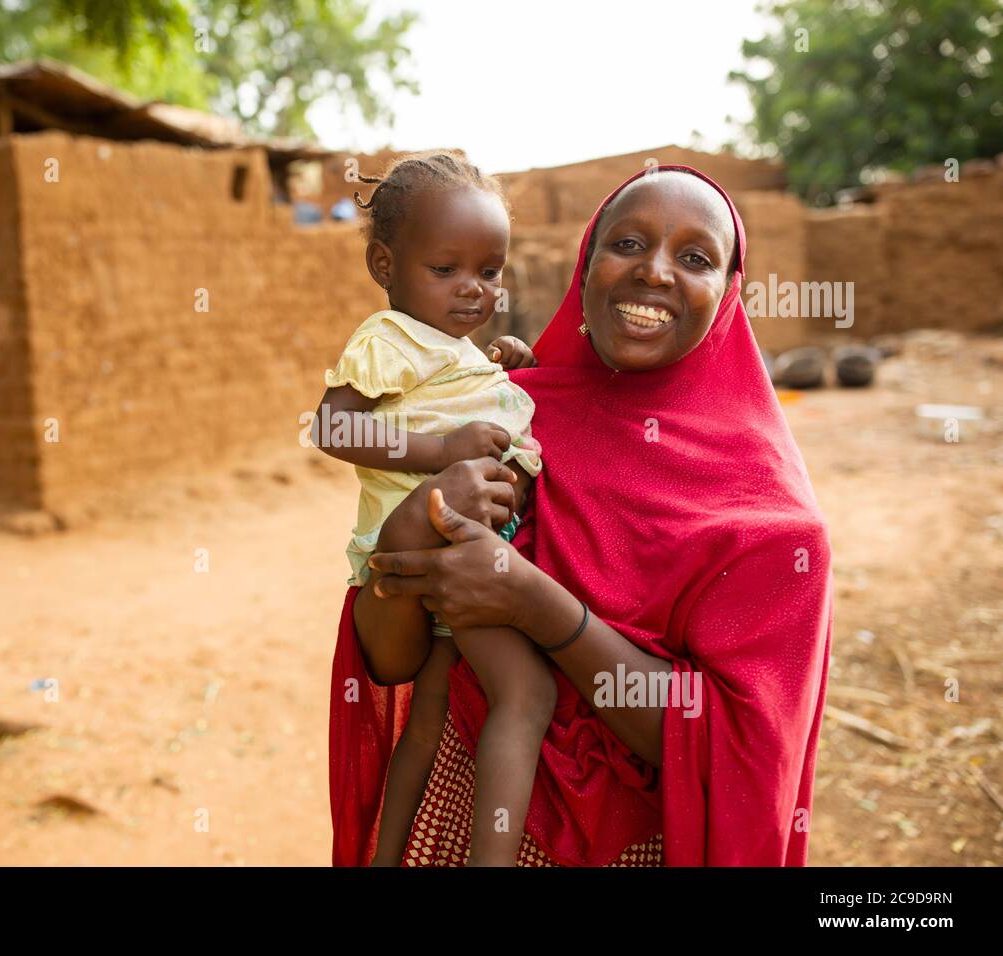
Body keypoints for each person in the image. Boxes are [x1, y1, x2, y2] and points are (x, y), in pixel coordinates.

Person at [329, 165, 834, 867]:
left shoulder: (774, 524)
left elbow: (734, 751)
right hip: (459, 825)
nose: (655, 272)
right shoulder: (513, 417)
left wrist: (537, 604)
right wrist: (410, 528)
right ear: (586, 264)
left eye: (695, 258)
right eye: (627, 244)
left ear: (728, 294)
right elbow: (393, 661)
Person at [312, 150, 555, 867]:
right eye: (445, 270)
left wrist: (504, 362)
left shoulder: (450, 346)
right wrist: (441, 446)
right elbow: (331, 426)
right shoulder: (386, 340)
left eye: (489, 271)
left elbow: (466, 390)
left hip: (461, 558)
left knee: (427, 722)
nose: (471, 290)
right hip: (429, 552)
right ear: (384, 265)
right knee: (526, 692)